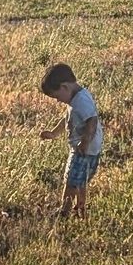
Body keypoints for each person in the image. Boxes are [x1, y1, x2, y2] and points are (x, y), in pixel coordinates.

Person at [40, 61, 103, 212]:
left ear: (64, 87)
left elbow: (92, 121)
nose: (57, 100)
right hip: (87, 150)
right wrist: (54, 133)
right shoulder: (75, 99)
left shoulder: (81, 101)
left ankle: (64, 211)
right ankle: (80, 207)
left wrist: (85, 142)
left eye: (57, 96)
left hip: (83, 150)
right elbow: (68, 119)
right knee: (81, 181)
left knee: (71, 181)